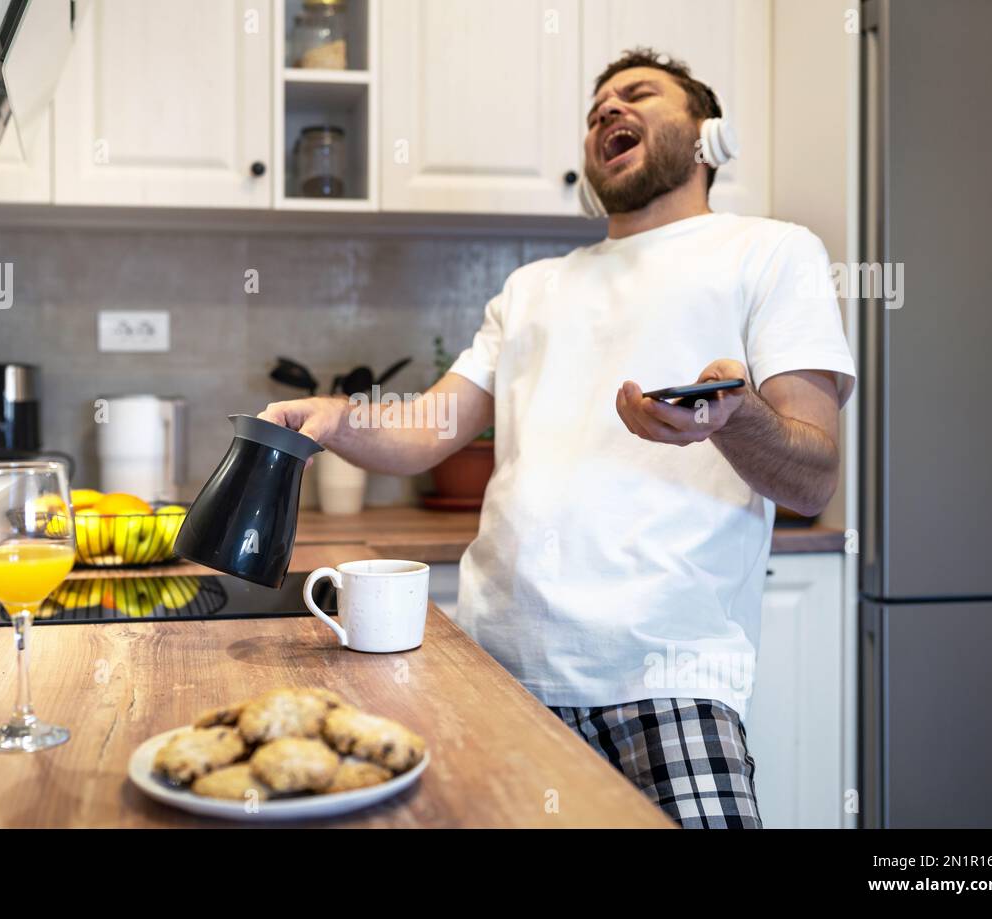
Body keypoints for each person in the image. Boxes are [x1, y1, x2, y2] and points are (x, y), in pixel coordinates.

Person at [260, 48, 855, 828]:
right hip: (500, 674)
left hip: (672, 681)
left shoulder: (773, 252)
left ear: (713, 135)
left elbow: (812, 475)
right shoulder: (533, 286)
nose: (607, 110)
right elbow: (432, 425)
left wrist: (734, 417)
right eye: (595, 107)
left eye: (637, 94)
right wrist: (337, 417)